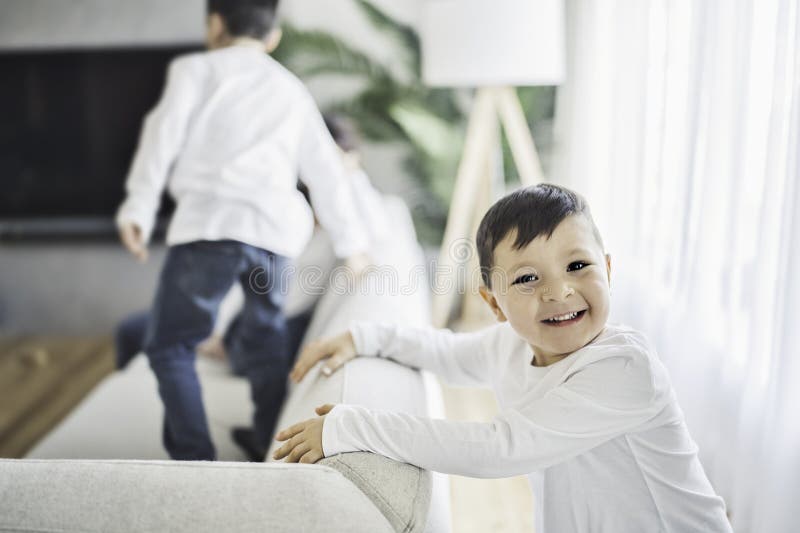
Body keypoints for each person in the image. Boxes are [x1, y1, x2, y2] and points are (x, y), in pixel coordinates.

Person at [274, 184, 733, 532]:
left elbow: (499, 448)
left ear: (608, 270)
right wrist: (363, 336)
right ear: (493, 304)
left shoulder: (625, 369)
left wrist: (351, 426)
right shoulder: (511, 344)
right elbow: (447, 353)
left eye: (578, 266)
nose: (558, 291)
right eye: (528, 278)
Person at [116, 0, 369, 462]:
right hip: (271, 238)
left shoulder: (195, 70)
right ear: (272, 38)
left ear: (215, 25)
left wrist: (138, 208)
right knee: (266, 345)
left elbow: (162, 134)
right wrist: (353, 247)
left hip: (208, 230)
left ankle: (195, 460)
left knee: (170, 345)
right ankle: (267, 442)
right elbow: (325, 170)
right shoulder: (289, 87)